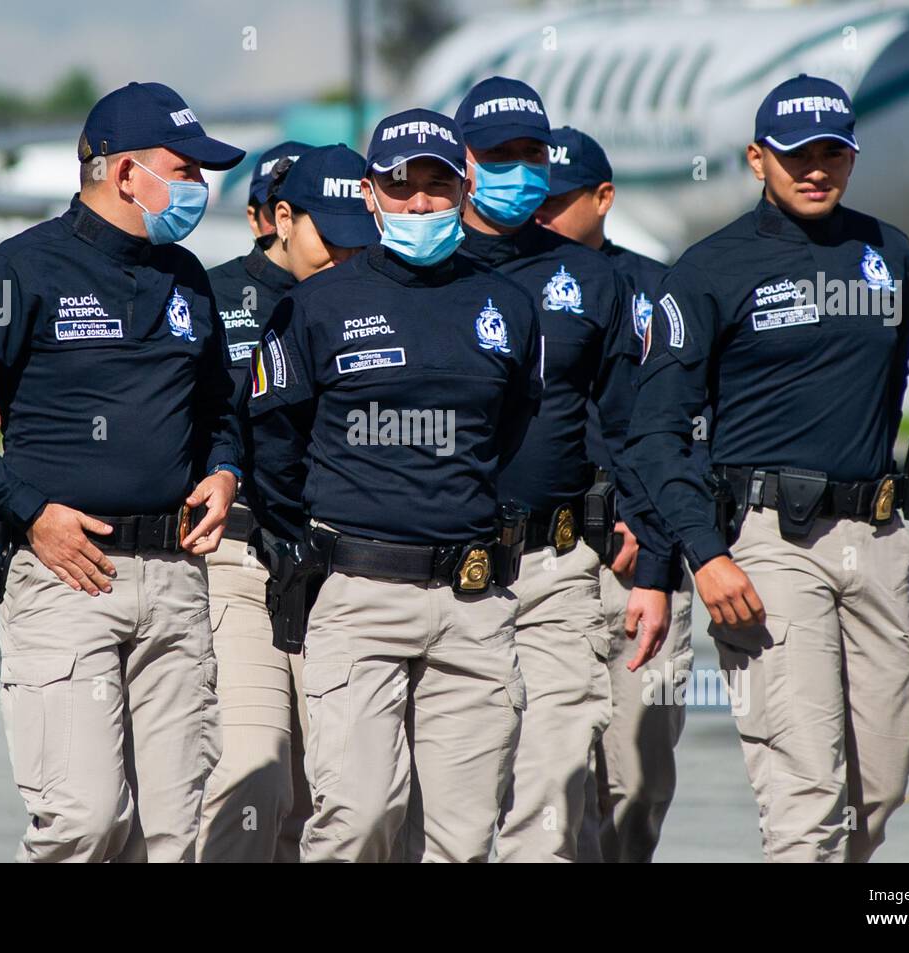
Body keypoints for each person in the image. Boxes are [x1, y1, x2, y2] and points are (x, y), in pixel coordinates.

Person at [0, 81, 244, 863]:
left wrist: (223, 471)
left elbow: (222, 410)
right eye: (184, 169)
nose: (200, 186)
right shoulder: (16, 271)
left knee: (174, 833)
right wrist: (27, 510)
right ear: (124, 174)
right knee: (85, 824)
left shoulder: (189, 277)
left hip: (175, 581)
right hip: (65, 579)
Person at [625, 75, 909, 862]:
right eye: (796, 155)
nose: (815, 168)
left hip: (879, 541)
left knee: (879, 785)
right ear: (758, 159)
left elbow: (888, 387)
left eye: (833, 152)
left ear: (853, 157)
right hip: (767, 550)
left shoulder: (888, 254)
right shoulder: (707, 270)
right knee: (805, 793)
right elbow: (657, 429)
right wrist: (706, 552)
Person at [246, 108, 543, 862]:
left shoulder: (507, 305)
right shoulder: (315, 305)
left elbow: (510, 429)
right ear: (371, 195)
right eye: (399, 187)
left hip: (474, 599)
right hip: (358, 592)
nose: (418, 203)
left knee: (465, 837)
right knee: (357, 818)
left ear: (462, 189)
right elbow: (274, 445)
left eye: (436, 187)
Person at [452, 77, 679, 862]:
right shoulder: (407, 272)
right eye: (496, 154)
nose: (516, 169)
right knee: (445, 804)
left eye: (530, 154)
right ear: (463, 160)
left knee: (552, 790)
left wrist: (654, 555)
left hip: (555, 568)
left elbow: (636, 427)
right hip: (434, 569)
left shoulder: (595, 280)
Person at [198, 143, 378, 863]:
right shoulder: (209, 298)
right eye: (327, 235)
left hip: (345, 563)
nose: (343, 253)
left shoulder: (374, 297)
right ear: (274, 218)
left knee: (337, 790)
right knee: (255, 767)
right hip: (244, 556)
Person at [534, 126, 695, 863]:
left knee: (641, 774)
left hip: (649, 560)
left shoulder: (663, 290)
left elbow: (686, 428)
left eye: (560, 199)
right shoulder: (512, 282)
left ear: (604, 199)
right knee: (561, 775)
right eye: (535, 196)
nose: (542, 211)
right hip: (560, 553)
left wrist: (659, 540)